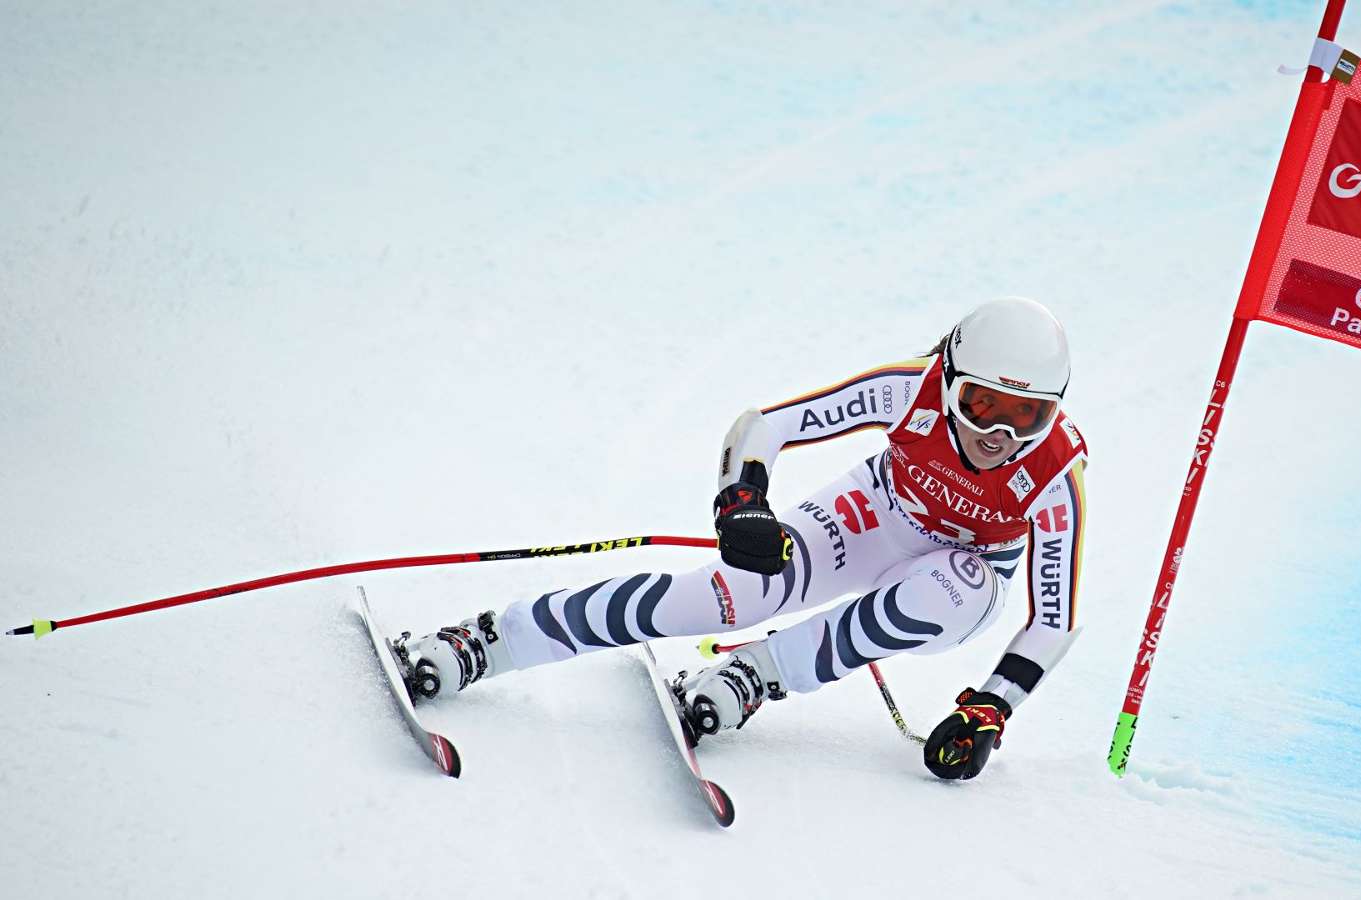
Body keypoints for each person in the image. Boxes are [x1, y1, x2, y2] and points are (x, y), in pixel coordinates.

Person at [393, 296, 1087, 780]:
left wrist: (990, 707)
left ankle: (757, 674)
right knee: (732, 597)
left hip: (963, 572)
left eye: (1028, 415)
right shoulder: (909, 388)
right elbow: (765, 425)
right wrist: (743, 502)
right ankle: (490, 640)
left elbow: (1053, 621)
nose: (1000, 435)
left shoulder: (1055, 473)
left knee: (949, 589)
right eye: (982, 405)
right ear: (950, 382)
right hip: (877, 511)